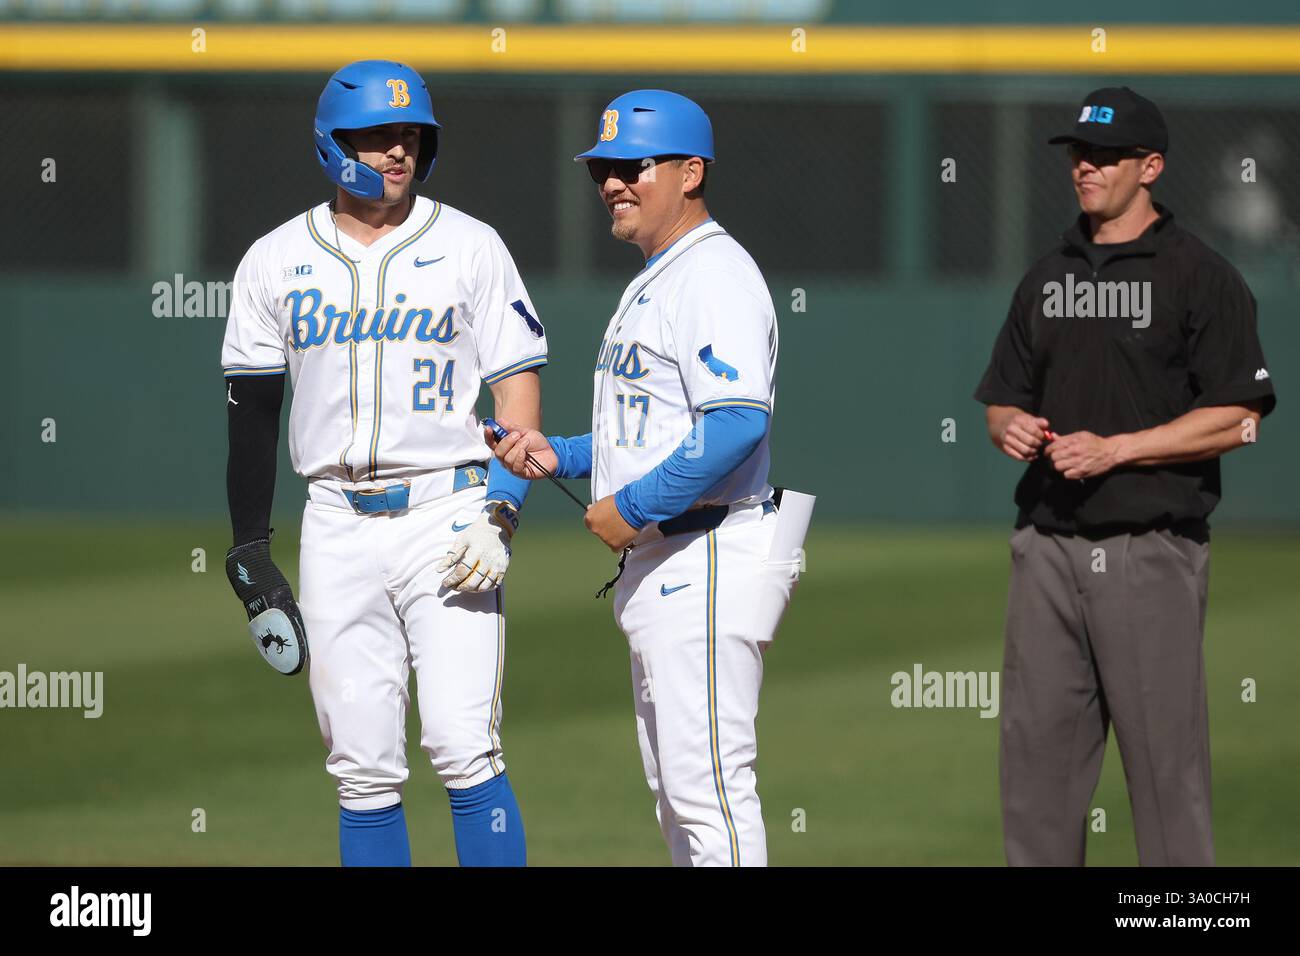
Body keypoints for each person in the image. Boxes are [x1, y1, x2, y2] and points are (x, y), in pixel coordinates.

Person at [220, 60, 547, 866]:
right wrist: (250, 548)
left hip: (449, 511)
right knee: (362, 767)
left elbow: (518, 392)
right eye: (378, 137)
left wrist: (500, 512)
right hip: (334, 518)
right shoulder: (274, 258)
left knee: (465, 745)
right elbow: (253, 414)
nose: (398, 152)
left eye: (411, 137)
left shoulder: (471, 245)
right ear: (334, 143)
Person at [492, 90, 807, 867]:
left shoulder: (714, 275)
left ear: (691, 171)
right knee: (679, 797)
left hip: (707, 552)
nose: (612, 183)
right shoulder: (663, 275)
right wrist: (558, 454)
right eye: (602, 169)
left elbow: (737, 421)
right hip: (672, 559)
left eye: (633, 166)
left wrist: (631, 506)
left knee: (711, 797)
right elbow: (652, 432)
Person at [974, 87, 1276, 866]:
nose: (1087, 167)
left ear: (1151, 167)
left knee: (1165, 784)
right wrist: (1011, 426)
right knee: (1036, 784)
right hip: (1045, 547)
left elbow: (1242, 416)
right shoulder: (1047, 276)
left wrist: (1118, 449)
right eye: (1080, 152)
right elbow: (1002, 400)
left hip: (1149, 548)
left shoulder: (1198, 275)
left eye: (1107, 155)